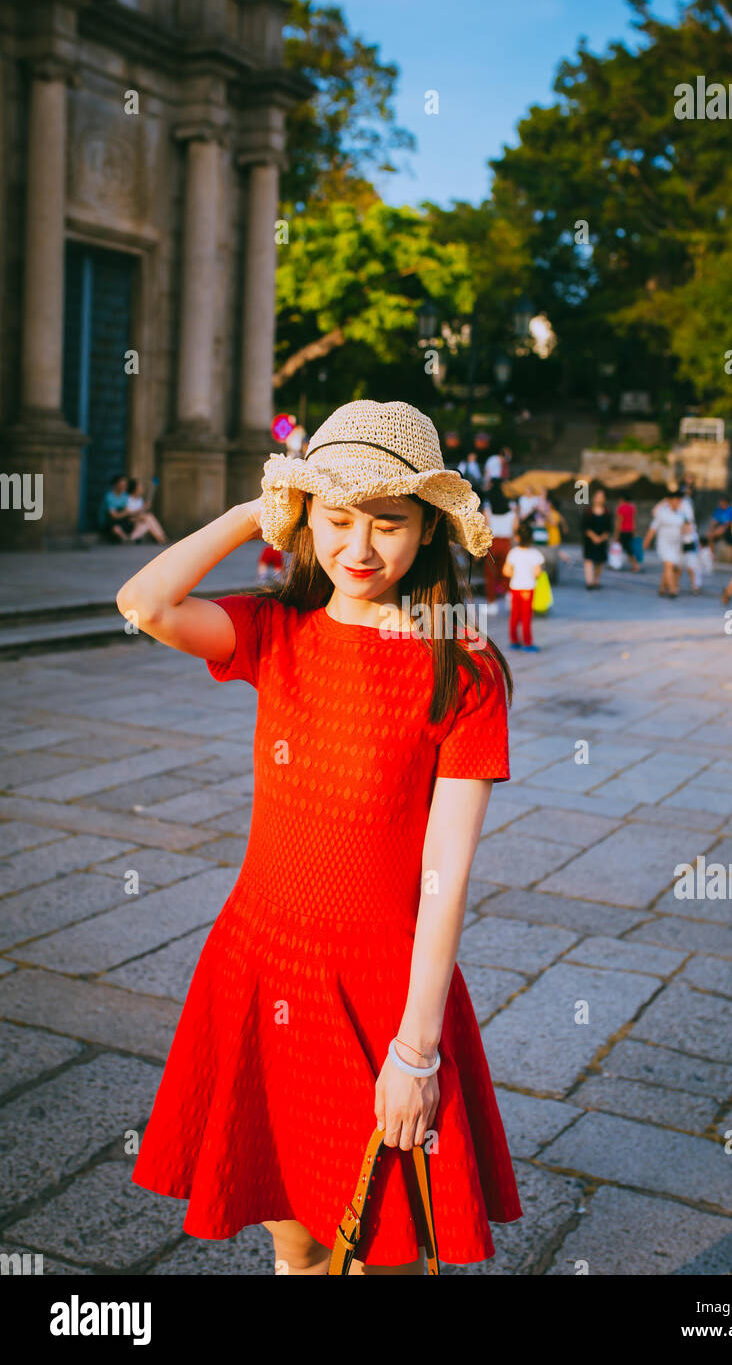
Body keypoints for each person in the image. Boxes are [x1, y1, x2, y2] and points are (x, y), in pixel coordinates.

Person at [119, 399, 522, 1274]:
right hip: (261, 961)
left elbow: (446, 877)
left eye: (390, 522)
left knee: (384, 1244)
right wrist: (256, 507)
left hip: (382, 990)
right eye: (337, 520)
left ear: (428, 530)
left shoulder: (461, 668)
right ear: (304, 522)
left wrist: (416, 1053)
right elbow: (145, 602)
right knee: (295, 1236)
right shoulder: (275, 630)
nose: (360, 549)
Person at [503, 520, 544, 650]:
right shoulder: (535, 554)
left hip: (515, 587)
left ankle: (514, 641)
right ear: (532, 538)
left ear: (517, 537)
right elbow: (537, 573)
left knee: (515, 615)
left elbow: (506, 571)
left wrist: (516, 573)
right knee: (526, 616)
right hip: (528, 588)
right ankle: (527, 643)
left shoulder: (513, 552)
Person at [481, 479, 517, 610]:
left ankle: (492, 603)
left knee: (490, 574)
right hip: (506, 543)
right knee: (506, 573)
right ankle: (510, 598)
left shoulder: (488, 509)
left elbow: (484, 527)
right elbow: (514, 529)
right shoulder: (512, 511)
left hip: (492, 543)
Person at [644, 488, 686, 597]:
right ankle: (672, 590)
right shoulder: (662, 513)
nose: (678, 503)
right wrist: (647, 541)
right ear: (670, 501)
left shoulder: (681, 514)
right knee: (669, 565)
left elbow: (684, 529)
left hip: (676, 545)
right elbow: (653, 528)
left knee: (673, 567)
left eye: (679, 501)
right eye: (676, 500)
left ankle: (662, 588)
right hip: (664, 543)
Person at [582, 488, 613, 589]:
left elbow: (609, 528)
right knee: (589, 560)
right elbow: (584, 526)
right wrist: (593, 536)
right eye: (597, 496)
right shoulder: (588, 511)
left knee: (600, 561)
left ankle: (596, 580)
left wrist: (601, 538)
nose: (598, 499)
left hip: (602, 540)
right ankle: (589, 582)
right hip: (589, 540)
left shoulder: (607, 512)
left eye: (601, 497)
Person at [124, 478, 168, 545]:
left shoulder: (139, 499)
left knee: (147, 522)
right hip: (131, 523)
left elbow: (141, 513)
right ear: (134, 489)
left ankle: (131, 538)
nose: (141, 488)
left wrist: (144, 508)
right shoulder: (127, 499)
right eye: (139, 486)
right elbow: (129, 514)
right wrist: (143, 508)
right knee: (148, 517)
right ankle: (161, 537)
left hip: (139, 522)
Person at [98, 474, 135, 542]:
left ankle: (130, 538)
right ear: (116, 485)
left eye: (125, 485)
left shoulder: (125, 496)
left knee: (137, 520)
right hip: (109, 522)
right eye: (122, 485)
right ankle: (126, 538)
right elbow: (114, 516)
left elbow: (126, 511)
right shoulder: (109, 496)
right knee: (115, 527)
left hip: (121, 519)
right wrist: (126, 513)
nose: (125, 487)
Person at [614, 493, 639, 572]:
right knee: (628, 548)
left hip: (623, 531)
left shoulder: (621, 508)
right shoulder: (632, 507)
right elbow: (633, 520)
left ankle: (635, 565)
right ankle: (631, 564)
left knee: (627, 549)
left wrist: (616, 534)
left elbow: (619, 522)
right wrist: (634, 532)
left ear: (622, 499)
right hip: (630, 531)